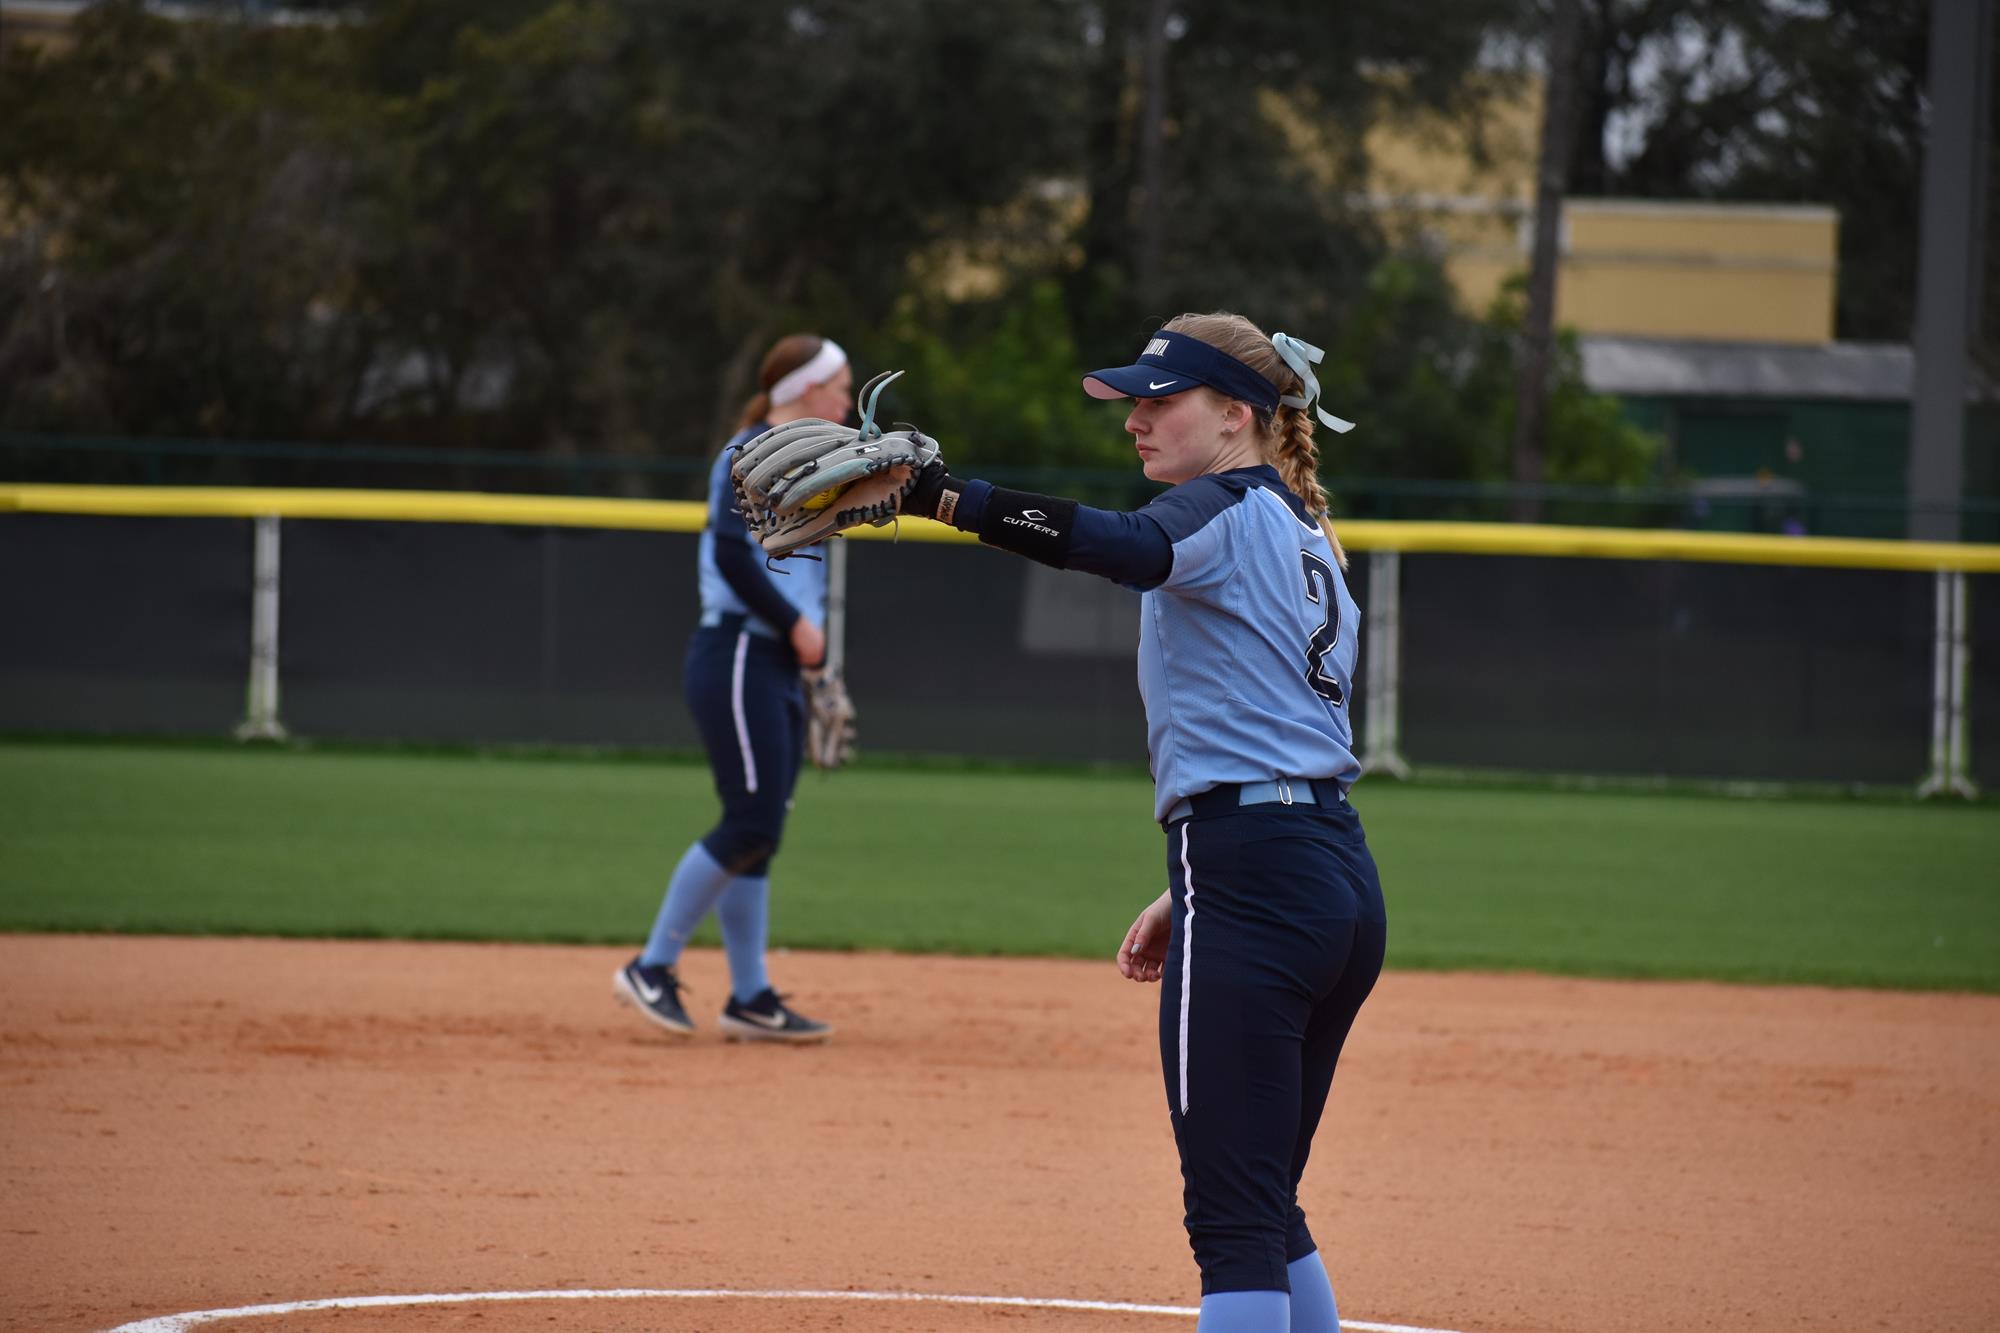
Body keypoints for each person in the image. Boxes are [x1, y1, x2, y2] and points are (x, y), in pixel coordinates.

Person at [897, 313, 1389, 1331]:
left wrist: (942, 498)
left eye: (1160, 401)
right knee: (1265, 1203)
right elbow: (1287, 719)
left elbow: (1113, 544)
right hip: (1327, 873)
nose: (1136, 420)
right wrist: (1192, 878)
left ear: (1237, 415)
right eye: (1133, 403)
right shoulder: (1307, 531)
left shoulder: (1216, 510)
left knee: (1233, 1225)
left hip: (1255, 879)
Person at [612, 333, 849, 1044]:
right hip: (741, 649)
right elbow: (726, 549)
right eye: (838, 385)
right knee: (750, 822)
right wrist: (794, 626)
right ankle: (651, 965)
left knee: (761, 834)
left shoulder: (814, 462)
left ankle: (750, 996)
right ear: (806, 390)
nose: (845, 398)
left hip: (773, 660)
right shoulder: (749, 451)